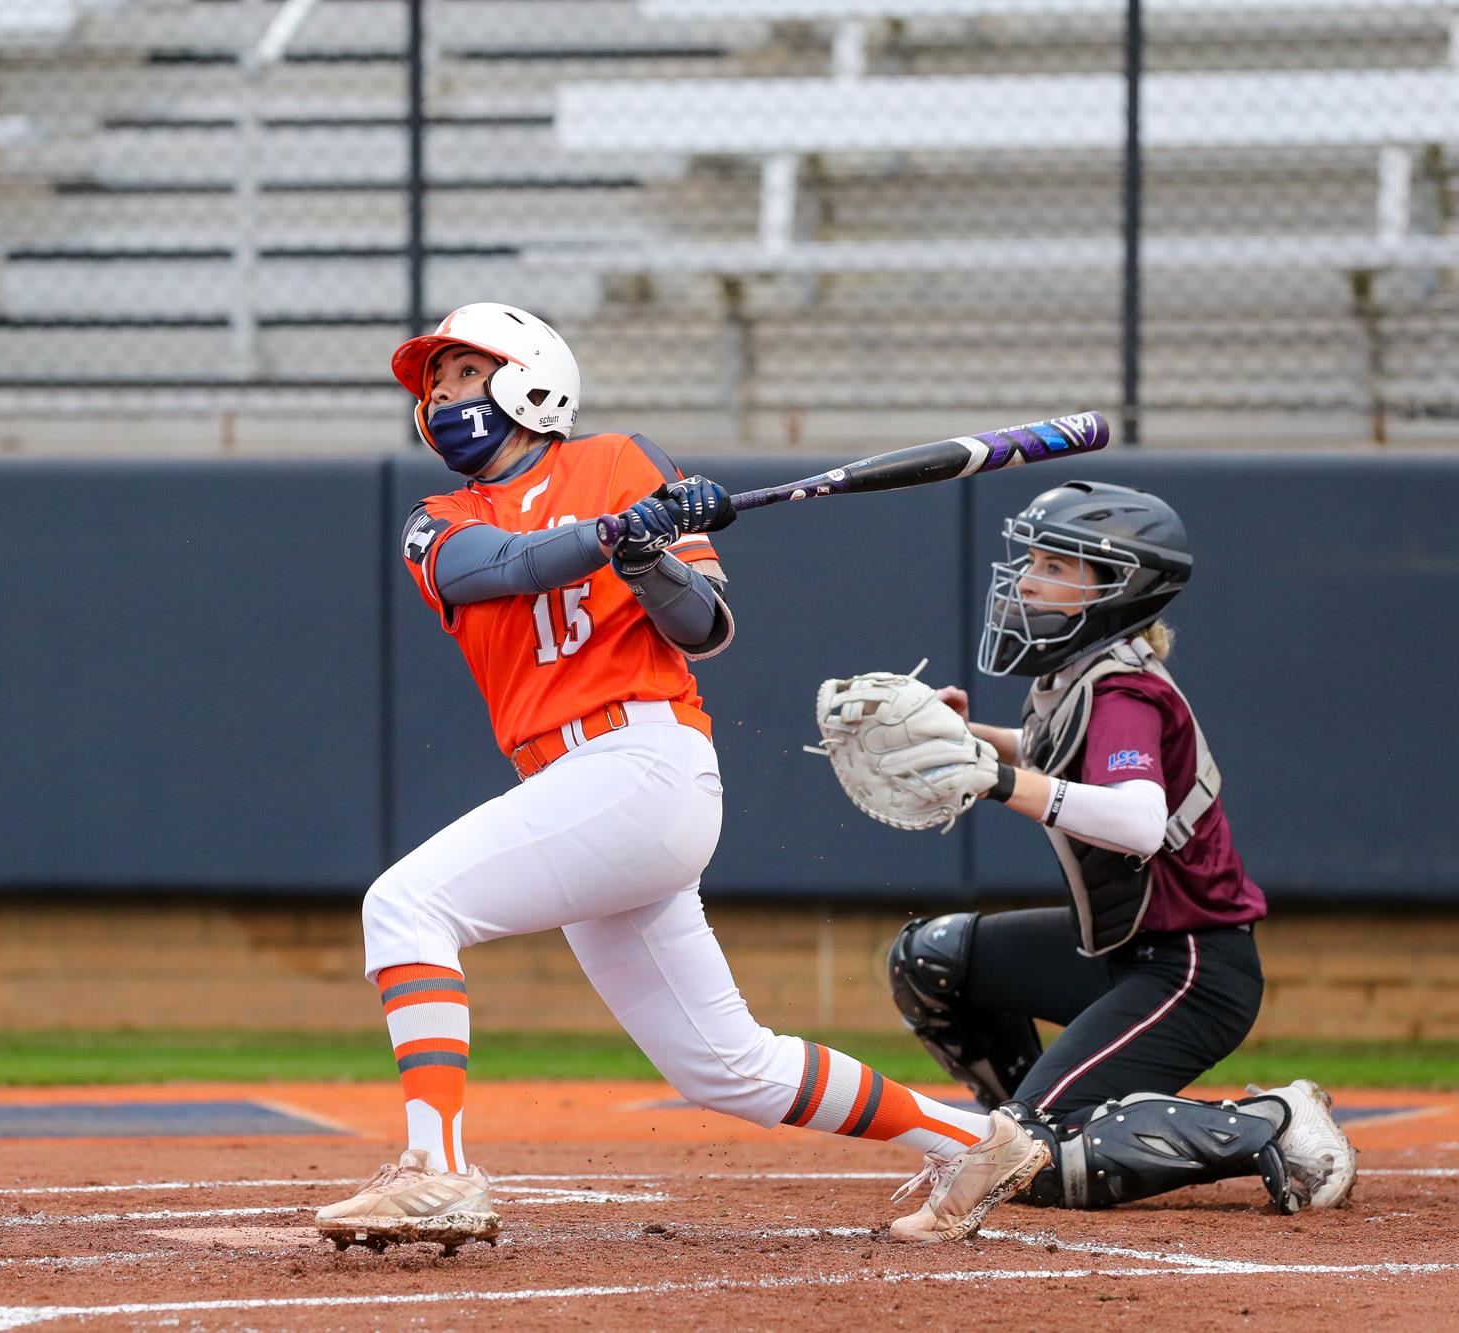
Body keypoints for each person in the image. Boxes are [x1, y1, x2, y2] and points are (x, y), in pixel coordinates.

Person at [313, 302, 1049, 1254]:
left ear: (530, 378)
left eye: (461, 373)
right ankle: (975, 1141)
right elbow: (496, 570)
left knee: (405, 906)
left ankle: (437, 1172)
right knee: (723, 1067)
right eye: (434, 384)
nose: (441, 395)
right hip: (577, 790)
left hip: (639, 764)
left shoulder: (618, 458)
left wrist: (648, 556)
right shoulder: (439, 519)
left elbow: (702, 626)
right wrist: (611, 536)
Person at [886, 479, 1357, 1212]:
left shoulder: (1125, 692)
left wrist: (998, 779)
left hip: (1192, 971)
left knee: (1029, 1166)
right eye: (1033, 559)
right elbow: (1054, 756)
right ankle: (1024, 1123)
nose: (1028, 579)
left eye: (1054, 565)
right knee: (932, 959)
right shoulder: (1079, 678)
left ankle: (1273, 1120)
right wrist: (963, 739)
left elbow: (1137, 819)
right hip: (1120, 955)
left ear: (1116, 589)